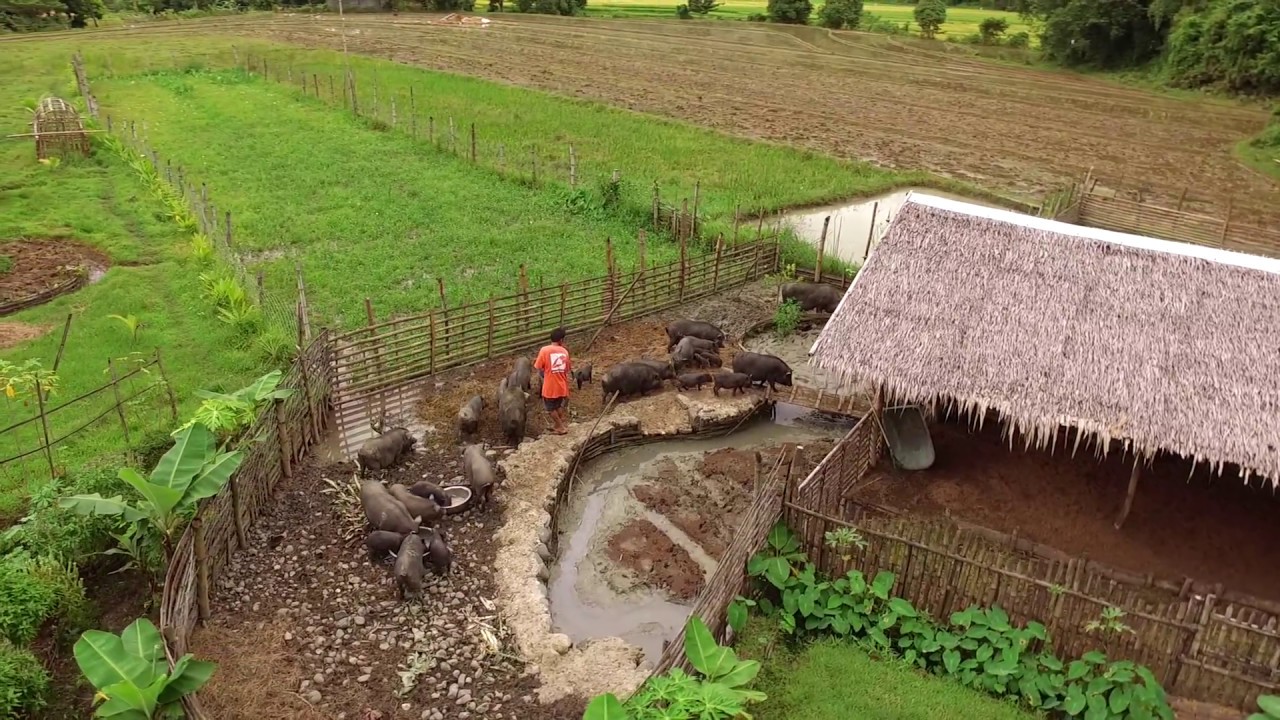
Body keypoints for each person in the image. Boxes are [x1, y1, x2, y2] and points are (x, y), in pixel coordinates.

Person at [533, 327, 572, 435]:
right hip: (562, 385)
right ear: (561, 340)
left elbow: (538, 366)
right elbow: (567, 369)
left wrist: (545, 374)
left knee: (550, 409)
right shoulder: (565, 352)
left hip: (550, 386)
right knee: (557, 406)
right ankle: (557, 425)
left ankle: (560, 427)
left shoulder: (544, 350)